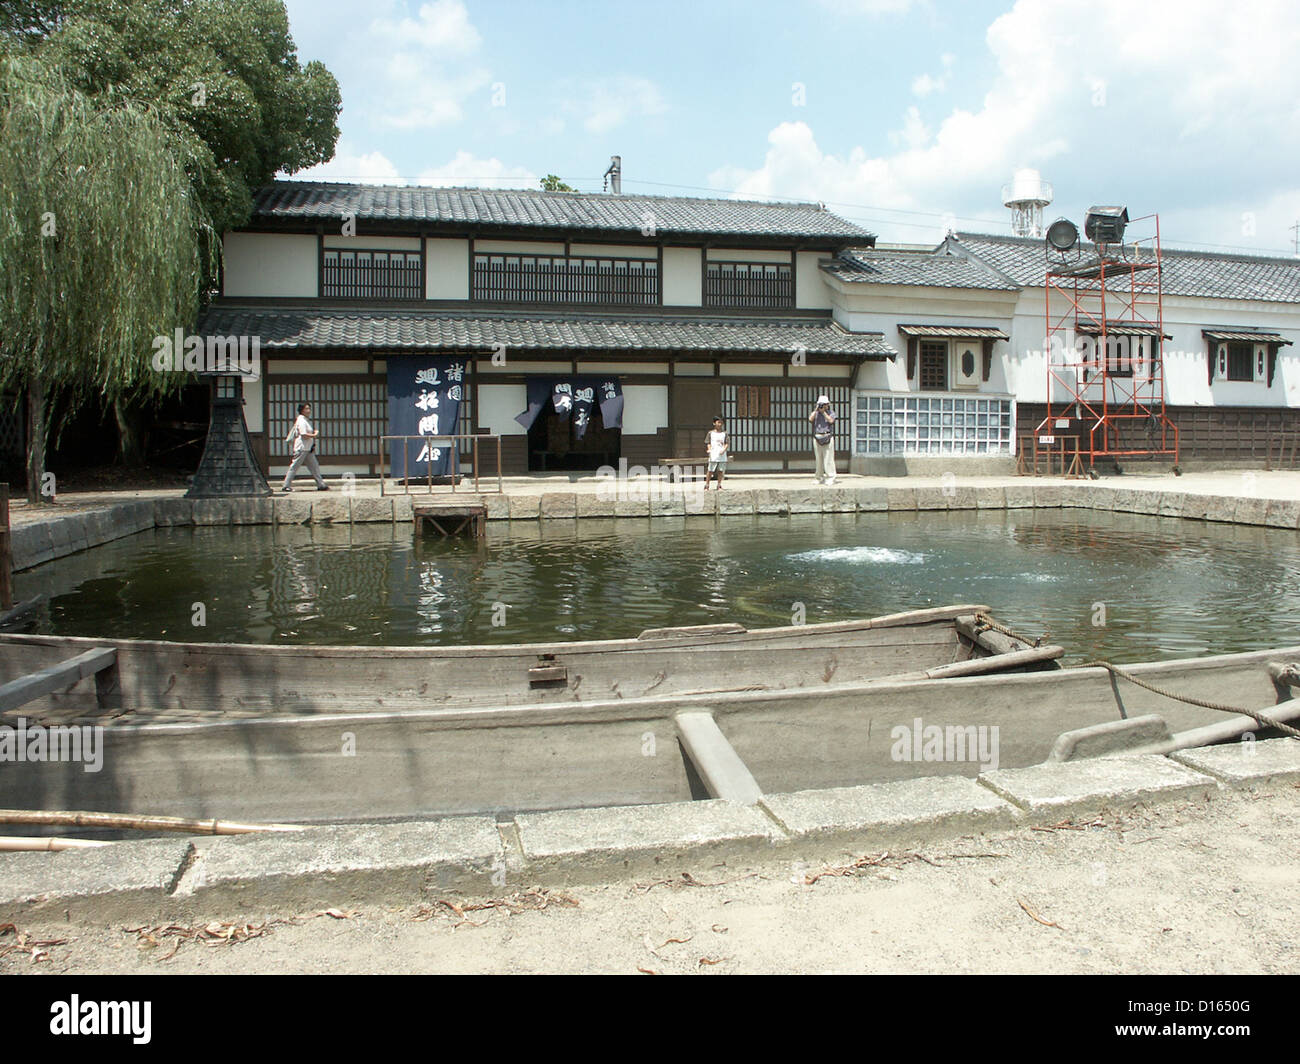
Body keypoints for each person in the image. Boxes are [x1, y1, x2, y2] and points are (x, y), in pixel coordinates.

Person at [281, 402, 330, 492]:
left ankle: (321, 484)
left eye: (309, 408)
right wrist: (314, 434)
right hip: (302, 448)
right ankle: (286, 485)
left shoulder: (304, 420)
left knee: (314, 466)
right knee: (294, 466)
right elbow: (303, 434)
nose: (308, 411)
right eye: (306, 409)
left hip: (307, 448)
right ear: (302, 410)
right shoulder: (301, 421)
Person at [809, 395, 837, 484]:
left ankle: (831, 477)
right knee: (819, 459)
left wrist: (824, 412)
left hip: (827, 436)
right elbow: (810, 419)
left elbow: (831, 421)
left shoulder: (831, 412)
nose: (823, 406)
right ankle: (818, 477)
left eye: (825, 404)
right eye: (822, 404)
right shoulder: (816, 413)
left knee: (828, 459)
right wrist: (816, 409)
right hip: (817, 437)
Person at [705, 416, 729, 490]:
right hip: (713, 454)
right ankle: (707, 485)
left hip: (722, 454)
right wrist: (709, 449)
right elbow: (708, 443)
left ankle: (719, 484)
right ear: (714, 423)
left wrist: (724, 450)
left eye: (721, 422)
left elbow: (727, 443)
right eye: (718, 422)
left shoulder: (725, 433)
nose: (720, 424)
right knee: (710, 470)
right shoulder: (710, 433)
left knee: (720, 470)